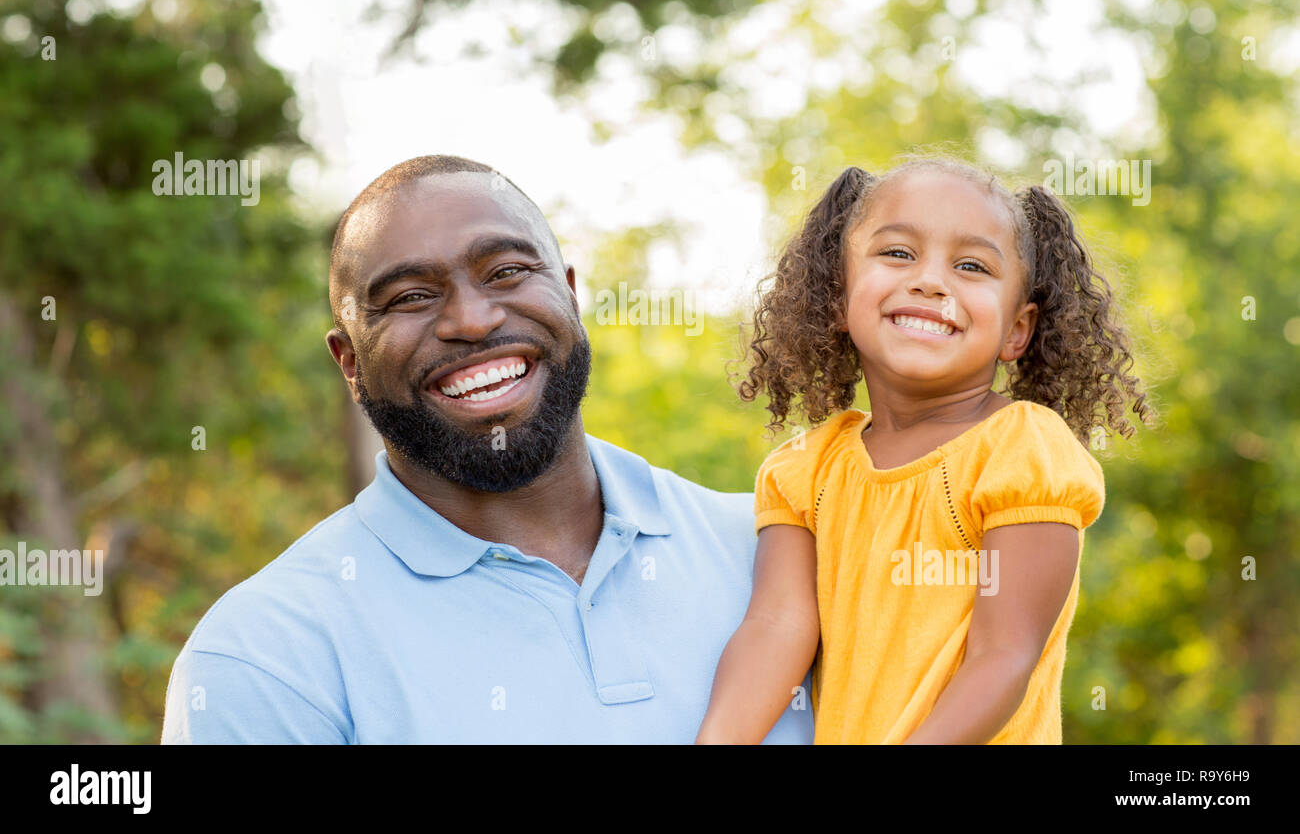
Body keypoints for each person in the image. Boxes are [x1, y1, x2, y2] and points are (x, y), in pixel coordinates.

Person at [161, 155, 812, 743]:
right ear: (349, 362)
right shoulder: (263, 655)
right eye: (410, 297)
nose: (472, 321)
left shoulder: (781, 550)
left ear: (571, 294)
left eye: (505, 271)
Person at [695, 157, 1154, 744]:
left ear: (1017, 329)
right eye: (898, 254)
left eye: (971, 265)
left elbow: (1003, 656)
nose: (930, 281)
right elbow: (776, 626)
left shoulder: (1022, 450)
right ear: (838, 297)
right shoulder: (803, 469)